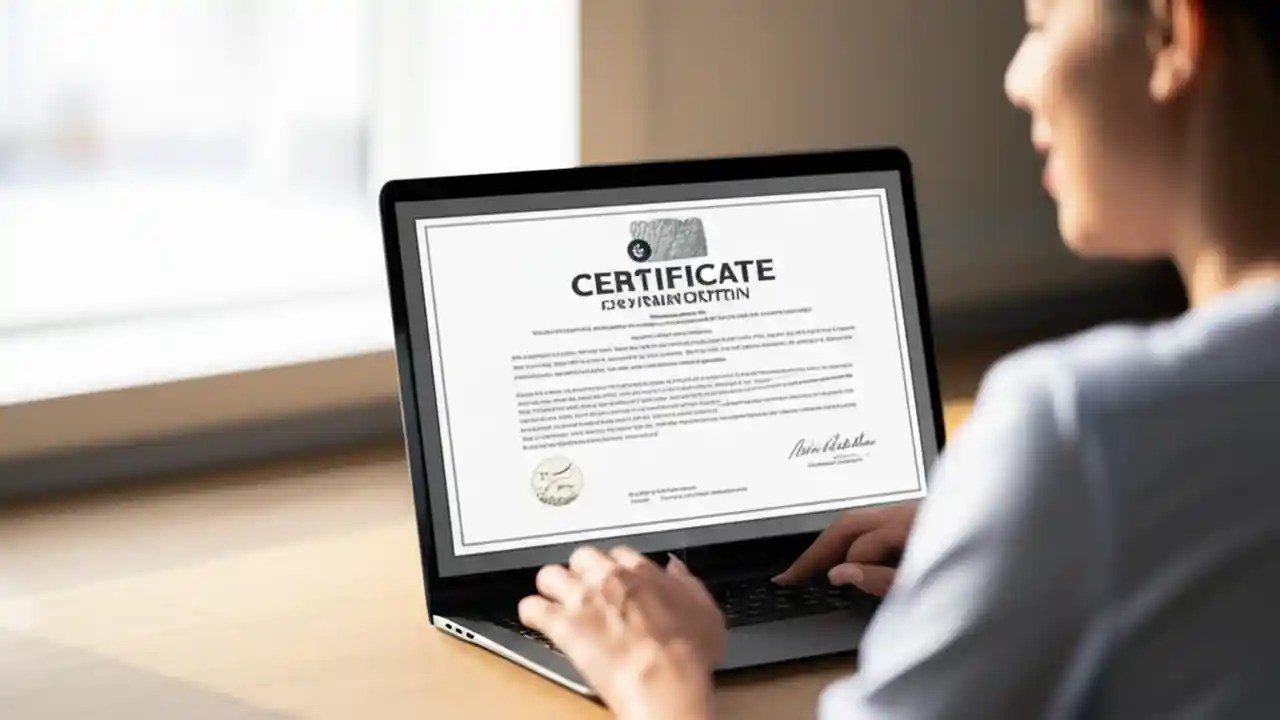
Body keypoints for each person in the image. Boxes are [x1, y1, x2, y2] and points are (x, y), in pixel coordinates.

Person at [517, 0, 1280, 716]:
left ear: (1177, 33)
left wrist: (658, 677)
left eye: (1043, 22)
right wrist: (1005, 531)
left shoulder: (1080, 427)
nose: (1016, 80)